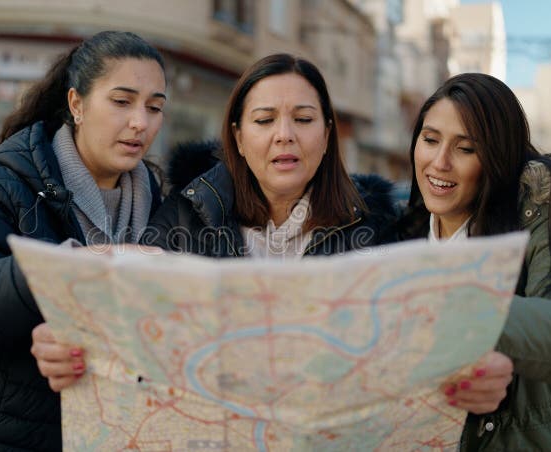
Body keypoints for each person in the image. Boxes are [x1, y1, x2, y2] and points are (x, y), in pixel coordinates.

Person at [30, 55, 511, 427]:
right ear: (238, 138)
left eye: (303, 119)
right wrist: (71, 347)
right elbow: (127, 343)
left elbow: (420, 359)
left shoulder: (384, 231)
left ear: (327, 134)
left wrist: (475, 380)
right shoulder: (180, 222)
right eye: (264, 121)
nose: (285, 136)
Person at [0, 31, 167, 451]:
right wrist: (59, 269)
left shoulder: (157, 198)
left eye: (154, 107)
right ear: (76, 104)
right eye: (122, 101)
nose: (141, 121)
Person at [397, 72, 551, 450]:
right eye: (430, 140)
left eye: (465, 149)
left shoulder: (544, 220)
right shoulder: (400, 234)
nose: (439, 162)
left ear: (498, 158)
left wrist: (461, 309)